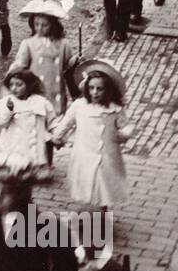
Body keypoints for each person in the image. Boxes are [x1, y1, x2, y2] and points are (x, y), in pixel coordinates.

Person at [53, 59, 132, 223]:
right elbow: (66, 123)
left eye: (100, 89)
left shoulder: (114, 109)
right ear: (86, 88)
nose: (95, 92)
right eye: (92, 88)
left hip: (107, 155)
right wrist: (58, 137)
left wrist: (123, 135)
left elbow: (126, 126)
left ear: (108, 90)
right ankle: (89, 214)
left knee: (103, 185)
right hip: (84, 153)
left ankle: (101, 214)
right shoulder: (79, 106)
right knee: (87, 183)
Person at [8, 0, 78, 116]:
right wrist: (12, 86)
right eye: (36, 24)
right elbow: (19, 66)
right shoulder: (28, 44)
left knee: (55, 122)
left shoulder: (63, 44)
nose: (40, 28)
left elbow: (67, 66)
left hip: (56, 93)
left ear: (53, 25)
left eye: (44, 25)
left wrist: (75, 60)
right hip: (36, 91)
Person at [0, 68, 55, 167]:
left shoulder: (40, 102)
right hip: (13, 142)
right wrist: (9, 111)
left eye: (19, 85)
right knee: (14, 166)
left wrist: (55, 134)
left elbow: (52, 120)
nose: (14, 88)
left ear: (29, 86)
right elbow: (0, 123)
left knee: (33, 167)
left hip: (34, 143)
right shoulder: (7, 102)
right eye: (11, 85)